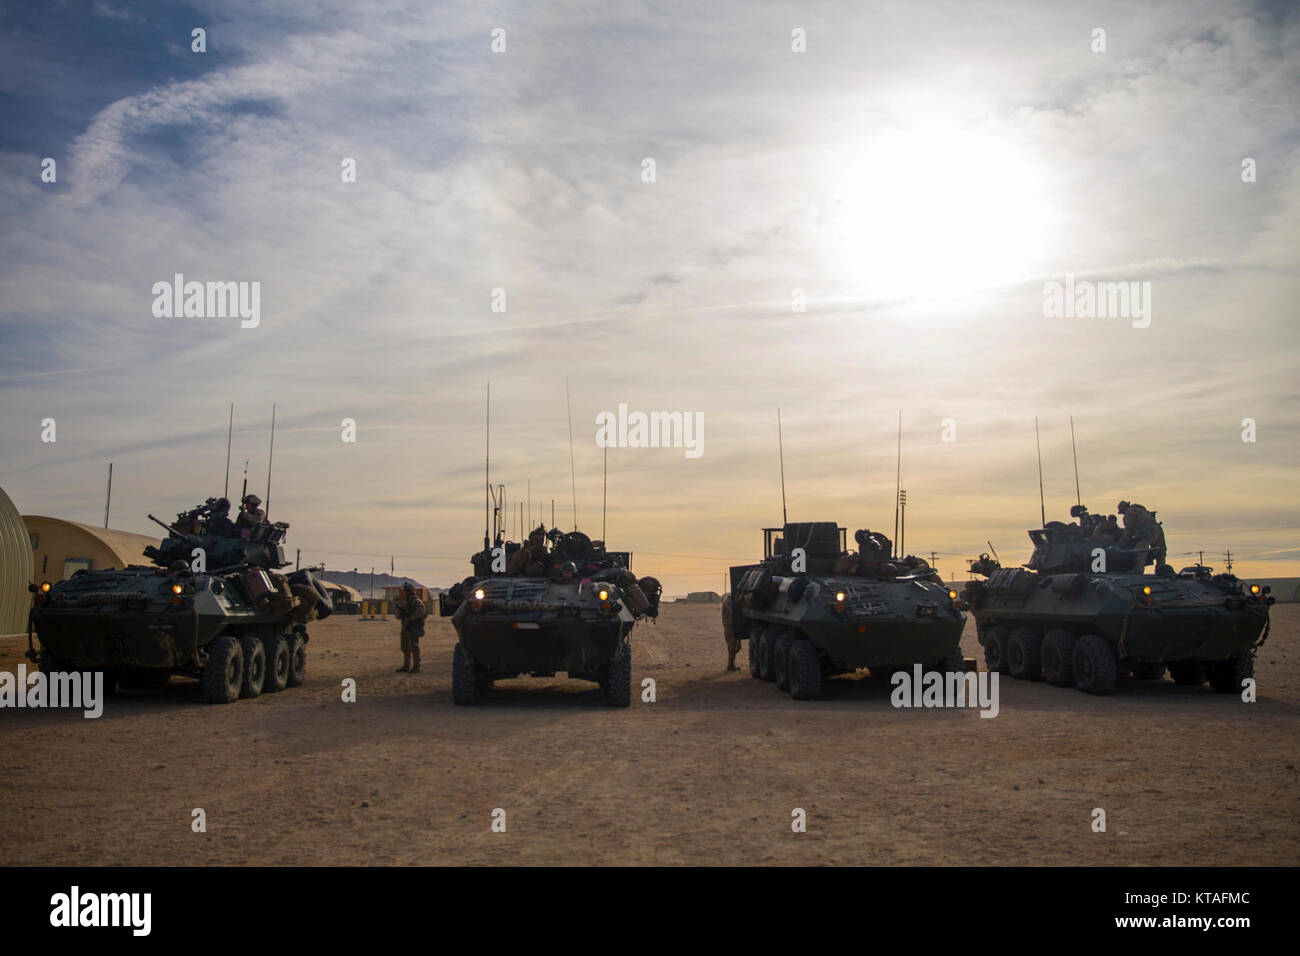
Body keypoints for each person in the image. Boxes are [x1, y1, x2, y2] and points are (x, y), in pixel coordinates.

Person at [1118, 500, 1167, 570]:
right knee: (1161, 550)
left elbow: (1129, 529)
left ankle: (1138, 569)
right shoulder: (1140, 509)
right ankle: (1162, 568)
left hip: (1147, 532)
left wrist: (1125, 538)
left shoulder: (1129, 513)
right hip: (1157, 528)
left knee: (1140, 550)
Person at [393, 582, 427, 673]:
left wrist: (411, 618)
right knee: (405, 647)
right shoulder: (406, 603)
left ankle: (416, 666)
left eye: (407, 591)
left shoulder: (417, 602)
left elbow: (421, 612)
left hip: (413, 627)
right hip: (406, 627)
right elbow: (398, 616)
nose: (405, 593)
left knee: (414, 647)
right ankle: (406, 665)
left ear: (411, 592)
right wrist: (399, 609)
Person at [721, 592, 741, 671]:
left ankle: (731, 662)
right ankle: (730, 665)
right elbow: (732, 612)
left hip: (734, 626)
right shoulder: (728, 601)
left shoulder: (732, 599)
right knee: (732, 646)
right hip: (729, 626)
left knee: (738, 647)